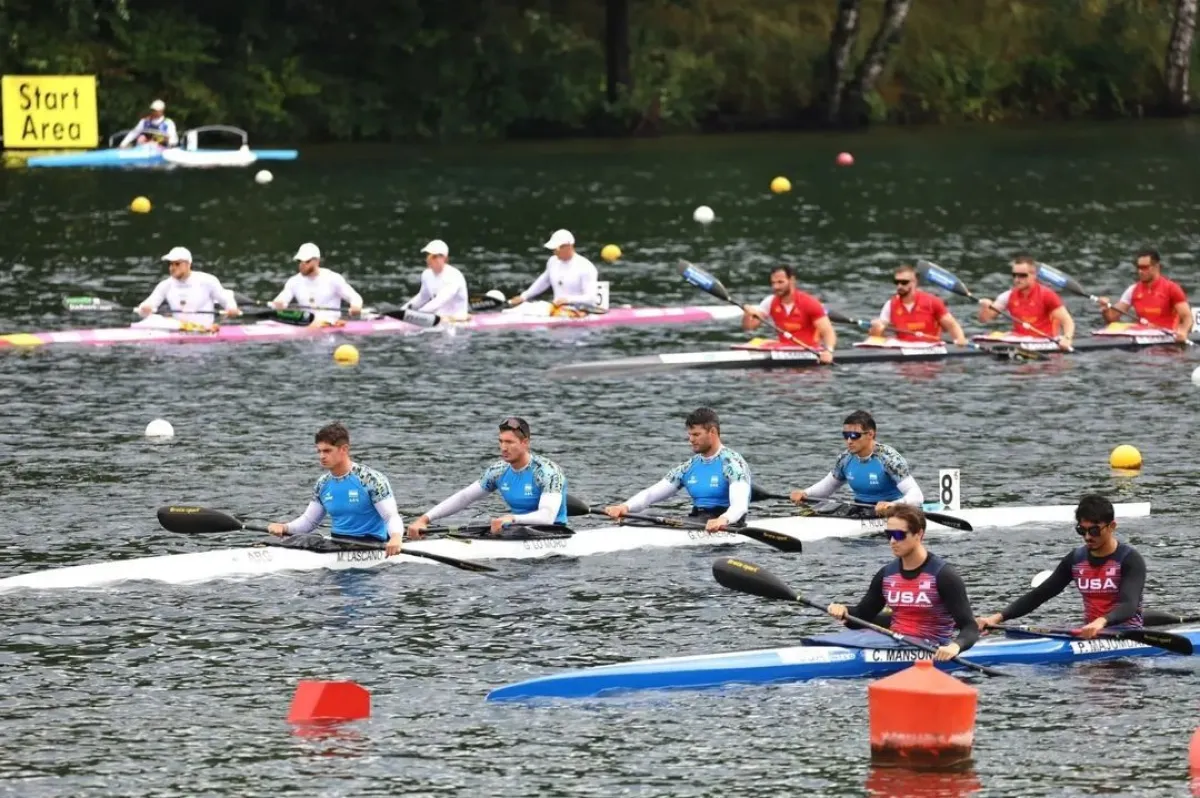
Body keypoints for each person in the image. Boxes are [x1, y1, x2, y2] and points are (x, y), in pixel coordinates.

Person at [976, 494, 1145, 638]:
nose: (1087, 537)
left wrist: (1102, 621)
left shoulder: (1129, 560)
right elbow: (1040, 594)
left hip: (1126, 634)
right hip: (1089, 632)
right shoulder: (1076, 559)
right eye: (1081, 530)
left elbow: (1128, 605)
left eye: (1094, 531)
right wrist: (995, 618)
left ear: (1112, 526)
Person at [829, 505, 979, 660]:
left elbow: (970, 627)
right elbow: (861, 616)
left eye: (899, 535)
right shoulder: (886, 575)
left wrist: (955, 647)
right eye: (889, 535)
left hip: (933, 651)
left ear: (919, 534)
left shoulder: (944, 576)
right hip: (894, 646)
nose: (893, 541)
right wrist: (843, 611)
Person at [407, 417, 569, 538]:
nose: (503, 448)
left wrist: (511, 518)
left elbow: (547, 517)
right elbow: (465, 497)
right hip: (516, 530)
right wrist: (425, 519)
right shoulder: (498, 470)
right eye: (501, 441)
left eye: (509, 442)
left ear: (525, 443)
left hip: (552, 532)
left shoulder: (548, 472)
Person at [604, 407, 751, 532]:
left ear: (712, 432)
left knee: (652, 523)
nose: (691, 440)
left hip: (727, 524)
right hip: (697, 520)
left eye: (696, 434)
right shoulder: (688, 467)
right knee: (642, 517)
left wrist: (724, 519)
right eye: (689, 435)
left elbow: (740, 506)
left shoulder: (733, 463)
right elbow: (650, 494)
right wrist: (625, 507)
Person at [267, 423, 405, 555]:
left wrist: (396, 538)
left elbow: (390, 516)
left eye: (327, 451)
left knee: (308, 540)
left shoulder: (371, 480)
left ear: (344, 449)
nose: (321, 456)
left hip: (369, 543)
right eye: (319, 451)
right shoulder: (322, 484)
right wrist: (284, 528)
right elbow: (309, 522)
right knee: (294, 539)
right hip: (338, 542)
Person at [790, 410, 923, 516]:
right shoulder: (845, 459)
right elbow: (827, 487)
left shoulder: (889, 459)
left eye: (854, 435)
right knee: (823, 507)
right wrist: (805, 493)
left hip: (892, 511)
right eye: (845, 435)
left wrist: (894, 505)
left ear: (870, 434)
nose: (849, 441)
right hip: (861, 508)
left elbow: (917, 495)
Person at [741, 265, 836, 363]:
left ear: (792, 280)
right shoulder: (770, 301)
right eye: (773, 283)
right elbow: (749, 327)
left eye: (780, 282)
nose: (776, 287)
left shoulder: (810, 303)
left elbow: (828, 331)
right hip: (784, 348)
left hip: (809, 350)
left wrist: (828, 351)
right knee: (755, 342)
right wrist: (747, 314)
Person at [978, 254, 1074, 350]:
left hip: (1045, 342)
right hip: (1019, 340)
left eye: (1022, 275)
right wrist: (985, 307)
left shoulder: (1047, 295)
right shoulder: (1008, 296)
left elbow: (1067, 321)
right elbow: (984, 319)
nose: (1017, 279)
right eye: (1014, 275)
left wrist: (1067, 338)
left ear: (1034, 275)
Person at [1099, 249, 1193, 342]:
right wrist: (1106, 309)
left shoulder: (1172, 288)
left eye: (1144, 267)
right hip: (1144, 337)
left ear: (1157, 267)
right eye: (1138, 267)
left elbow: (1187, 318)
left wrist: (1183, 331)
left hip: (1167, 338)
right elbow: (1112, 318)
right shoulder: (1132, 290)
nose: (1140, 271)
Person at [136, 246, 242, 327]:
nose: (172, 268)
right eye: (171, 264)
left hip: (205, 333)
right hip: (179, 330)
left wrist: (231, 308)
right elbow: (148, 304)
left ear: (188, 264)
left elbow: (226, 298)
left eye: (177, 264)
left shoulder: (207, 281)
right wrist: (145, 308)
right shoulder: (165, 285)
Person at [869, 264, 969, 346]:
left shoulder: (932, 302)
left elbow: (952, 326)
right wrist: (876, 329)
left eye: (904, 282)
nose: (899, 286)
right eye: (897, 282)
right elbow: (876, 338)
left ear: (915, 282)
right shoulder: (890, 304)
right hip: (902, 348)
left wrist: (960, 339)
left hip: (930, 349)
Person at [269, 243, 363, 325]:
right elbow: (281, 300)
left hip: (331, 326)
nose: (302, 265)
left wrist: (356, 306)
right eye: (299, 261)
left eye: (307, 261)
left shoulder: (333, 278)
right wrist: (278, 304)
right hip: (307, 325)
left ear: (317, 261)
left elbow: (355, 297)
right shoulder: (294, 281)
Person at [508, 229, 599, 310]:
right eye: (553, 249)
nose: (554, 252)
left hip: (579, 311)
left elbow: (591, 298)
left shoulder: (586, 267)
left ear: (568, 246)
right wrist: (524, 296)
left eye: (557, 248)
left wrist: (568, 300)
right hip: (556, 310)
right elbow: (543, 282)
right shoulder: (553, 261)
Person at [402, 240, 470, 319]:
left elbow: (440, 301)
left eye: (433, 257)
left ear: (444, 258)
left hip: (457, 320)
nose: (428, 259)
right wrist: (402, 311)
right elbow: (422, 297)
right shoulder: (426, 274)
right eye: (428, 255)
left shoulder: (454, 276)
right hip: (437, 318)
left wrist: (416, 315)